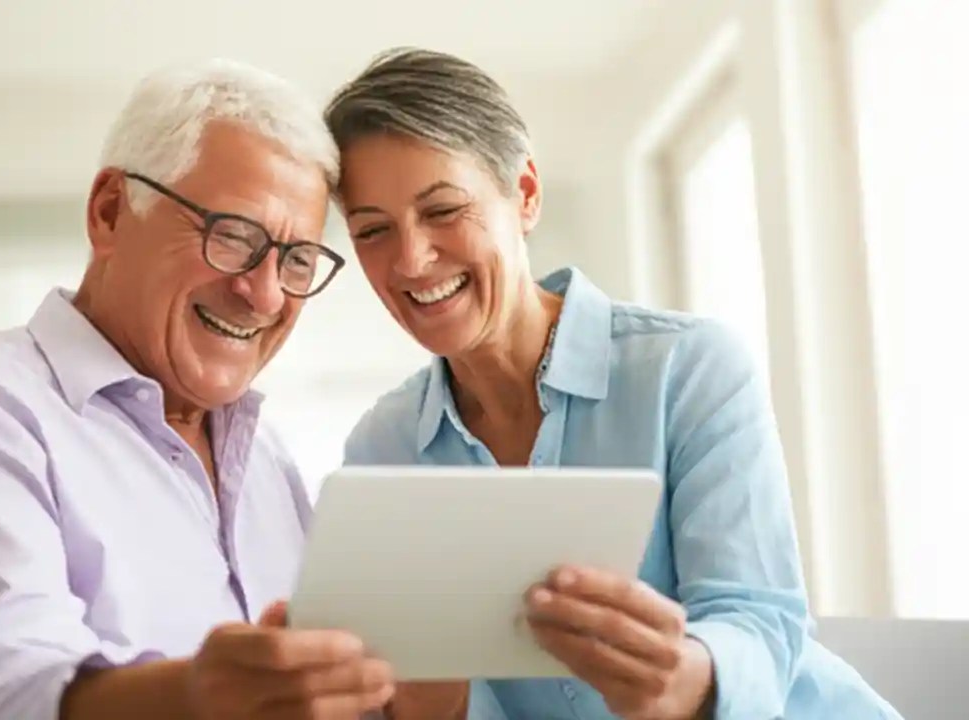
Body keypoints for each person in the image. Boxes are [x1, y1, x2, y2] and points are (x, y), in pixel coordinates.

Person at [324, 48, 901, 719]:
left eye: (444, 210)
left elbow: (760, 621)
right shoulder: (382, 452)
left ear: (525, 194)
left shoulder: (688, 369)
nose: (411, 260)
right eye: (373, 230)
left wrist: (684, 677)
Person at [0, 59, 411, 719]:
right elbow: (4, 692)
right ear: (110, 212)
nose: (264, 295)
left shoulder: (265, 459)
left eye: (298, 260)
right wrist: (194, 698)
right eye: (232, 236)